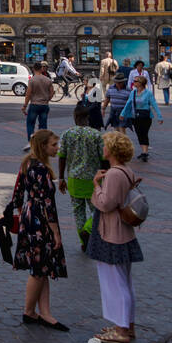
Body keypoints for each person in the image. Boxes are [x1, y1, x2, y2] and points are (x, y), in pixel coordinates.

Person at [88, 132, 143, 343]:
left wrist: (96, 185)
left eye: (104, 145)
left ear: (111, 149)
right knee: (124, 280)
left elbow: (105, 204)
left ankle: (121, 330)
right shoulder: (126, 171)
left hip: (111, 232)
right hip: (124, 232)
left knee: (114, 281)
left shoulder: (113, 174)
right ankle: (126, 324)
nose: (102, 149)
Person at [11, 129, 68, 331]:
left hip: (29, 215)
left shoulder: (28, 162)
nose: (57, 148)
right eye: (54, 145)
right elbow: (47, 203)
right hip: (40, 220)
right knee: (38, 268)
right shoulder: (41, 169)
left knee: (43, 266)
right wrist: (56, 232)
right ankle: (29, 311)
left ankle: (45, 313)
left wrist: (23, 212)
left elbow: (17, 193)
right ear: (43, 146)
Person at [58, 106, 104, 250]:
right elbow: (104, 157)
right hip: (93, 180)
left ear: (75, 117)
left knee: (78, 212)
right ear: (88, 117)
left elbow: (62, 157)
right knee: (98, 210)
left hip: (73, 179)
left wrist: (61, 178)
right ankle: (88, 230)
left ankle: (84, 242)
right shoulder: (96, 135)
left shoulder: (67, 134)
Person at [119, 75, 162, 162]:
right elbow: (128, 103)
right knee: (139, 133)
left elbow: (154, 104)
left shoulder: (148, 93)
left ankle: (145, 152)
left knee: (144, 133)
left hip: (145, 116)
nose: (133, 83)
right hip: (135, 116)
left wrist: (159, 116)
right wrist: (123, 113)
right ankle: (143, 151)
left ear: (141, 83)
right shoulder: (133, 92)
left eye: (135, 81)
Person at [21, 61, 53, 150]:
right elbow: (52, 92)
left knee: (30, 124)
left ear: (34, 69)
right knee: (43, 125)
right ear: (41, 69)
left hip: (34, 105)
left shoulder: (32, 80)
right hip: (44, 105)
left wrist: (24, 106)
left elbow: (28, 94)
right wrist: (47, 99)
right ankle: (43, 143)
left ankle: (31, 142)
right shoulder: (48, 80)